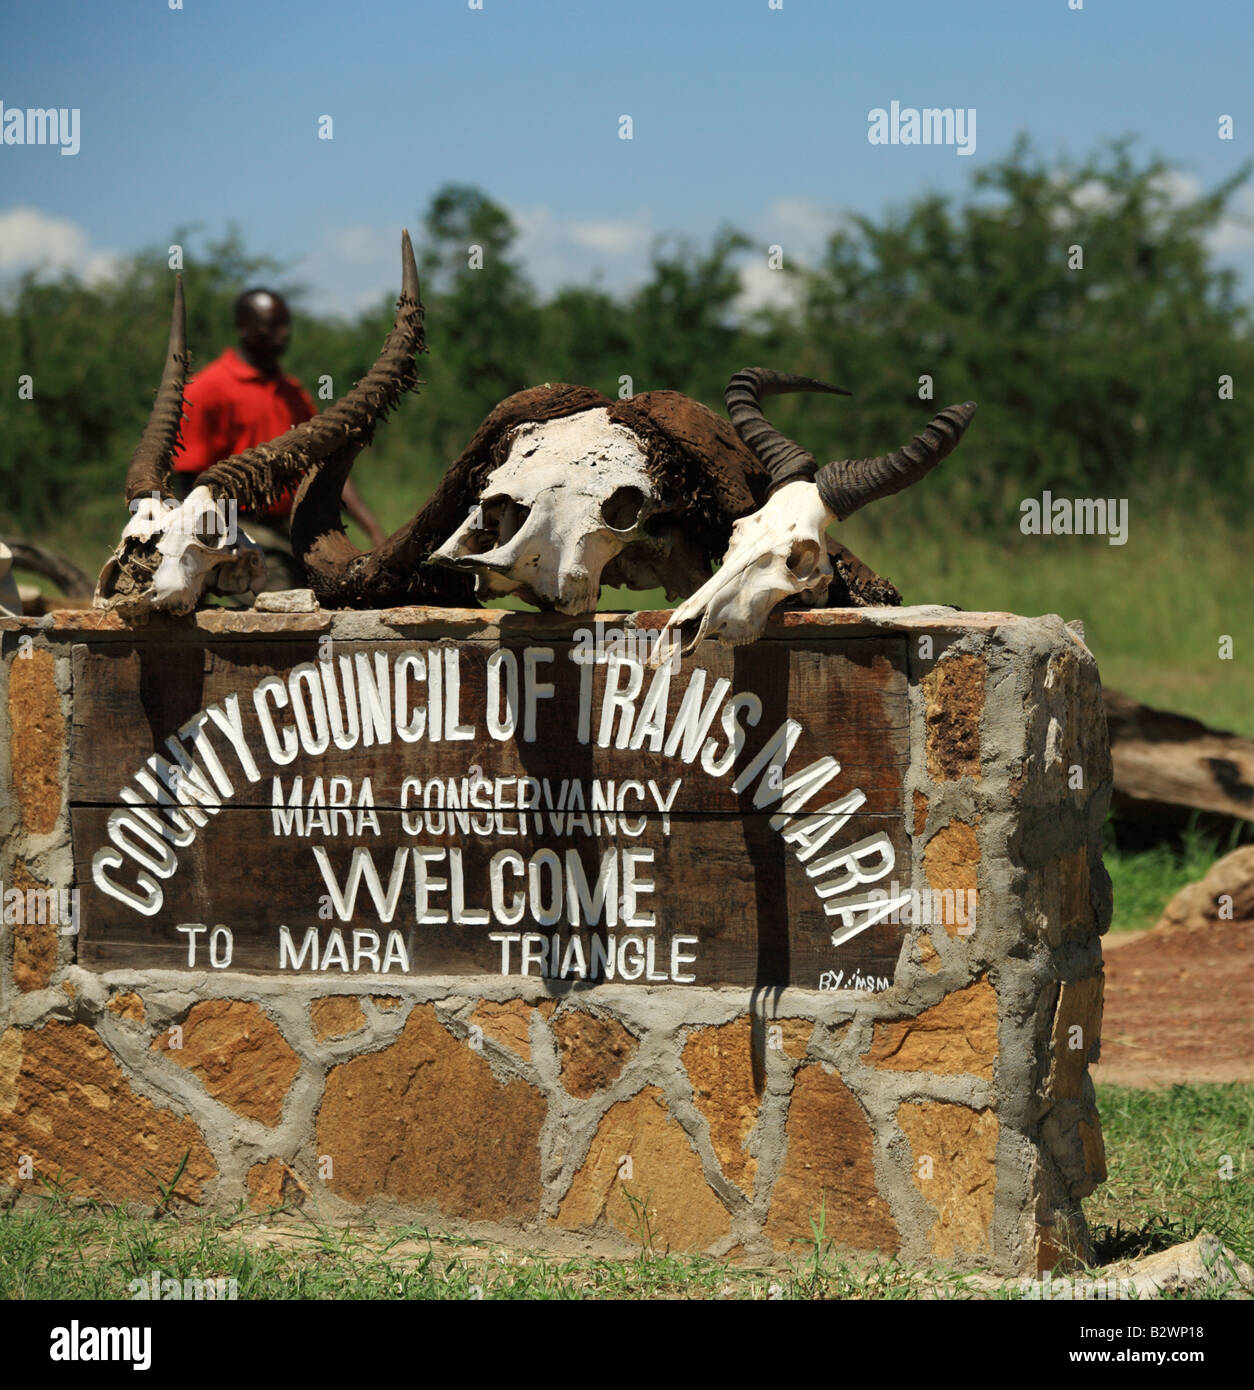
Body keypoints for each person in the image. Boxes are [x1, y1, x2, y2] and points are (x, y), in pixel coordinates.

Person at [172, 288, 387, 551]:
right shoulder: (208, 388)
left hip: (294, 526)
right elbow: (187, 479)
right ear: (243, 326)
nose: (283, 334)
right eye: (271, 325)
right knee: (284, 586)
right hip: (235, 525)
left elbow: (326, 464)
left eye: (285, 325)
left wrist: (373, 530)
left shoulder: (293, 393)